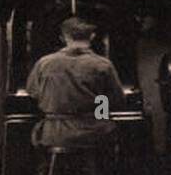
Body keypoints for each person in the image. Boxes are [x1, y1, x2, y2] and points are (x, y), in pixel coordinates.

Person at [26, 17, 126, 151]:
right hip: (95, 133)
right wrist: (98, 110)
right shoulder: (103, 65)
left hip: (55, 134)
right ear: (92, 36)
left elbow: (33, 94)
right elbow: (117, 100)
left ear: (62, 38)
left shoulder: (44, 63)